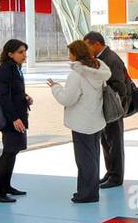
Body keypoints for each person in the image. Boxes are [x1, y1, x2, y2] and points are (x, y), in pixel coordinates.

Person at [48, 40, 112, 203]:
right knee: (93, 158)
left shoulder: (77, 74)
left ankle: (86, 194)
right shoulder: (98, 69)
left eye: (70, 52)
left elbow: (67, 99)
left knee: (84, 160)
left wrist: (55, 87)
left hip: (81, 123)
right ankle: (91, 192)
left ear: (76, 54)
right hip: (96, 120)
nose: (68, 55)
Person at [84, 31, 130, 189]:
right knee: (106, 141)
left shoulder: (110, 59)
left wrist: (116, 106)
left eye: (87, 45)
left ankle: (116, 176)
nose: (87, 49)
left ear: (96, 43)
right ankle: (110, 172)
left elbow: (120, 86)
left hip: (113, 108)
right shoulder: (102, 58)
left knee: (114, 142)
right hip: (106, 108)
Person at [0, 38, 31, 203]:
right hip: (10, 119)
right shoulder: (4, 70)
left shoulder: (15, 68)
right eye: (20, 52)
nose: (24, 55)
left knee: (13, 152)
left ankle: (6, 186)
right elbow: (4, 97)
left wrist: (26, 97)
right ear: (10, 54)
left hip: (18, 116)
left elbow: (14, 92)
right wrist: (14, 118)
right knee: (8, 153)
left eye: (24, 52)